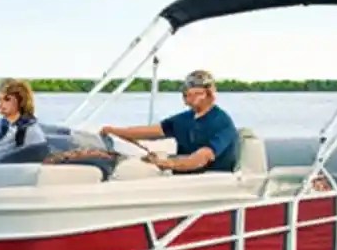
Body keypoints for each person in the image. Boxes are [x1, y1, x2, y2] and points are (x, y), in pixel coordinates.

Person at [99, 69, 238, 174]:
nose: (189, 96)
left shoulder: (222, 122)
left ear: (209, 94)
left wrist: (168, 163)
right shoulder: (185, 118)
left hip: (207, 180)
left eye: (197, 93)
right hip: (183, 176)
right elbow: (151, 132)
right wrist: (114, 131)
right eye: (187, 93)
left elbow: (201, 158)